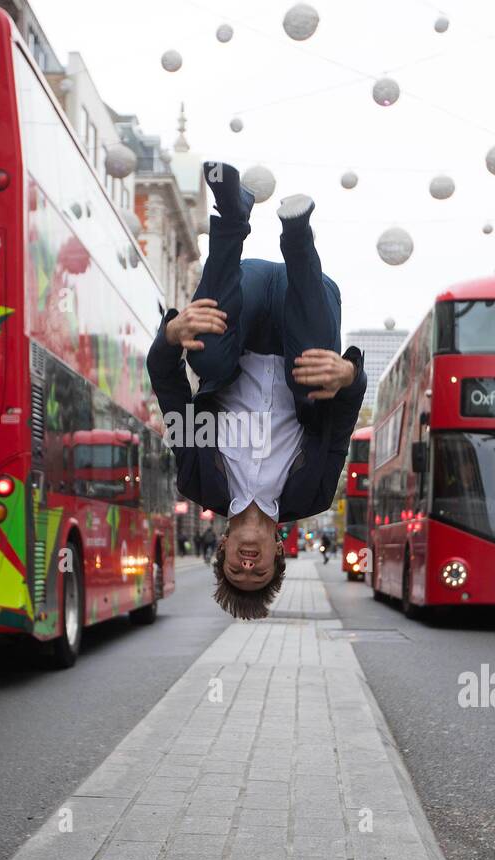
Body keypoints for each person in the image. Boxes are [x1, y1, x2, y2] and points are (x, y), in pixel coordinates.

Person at [147, 162, 366, 620]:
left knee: (203, 360)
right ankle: (297, 235)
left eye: (236, 570)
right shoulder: (313, 494)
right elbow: (342, 421)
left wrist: (171, 333)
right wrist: (348, 375)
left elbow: (169, 389)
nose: (248, 566)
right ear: (277, 555)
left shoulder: (197, 480)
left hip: (238, 316)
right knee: (316, 380)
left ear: (223, 547)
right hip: (298, 310)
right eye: (259, 573)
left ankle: (231, 215)